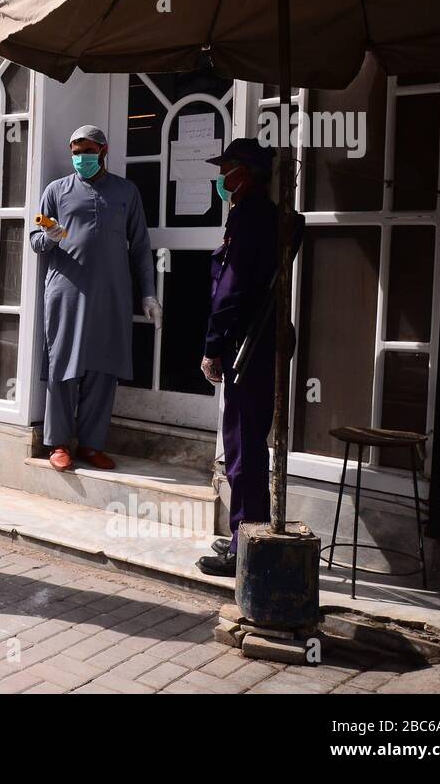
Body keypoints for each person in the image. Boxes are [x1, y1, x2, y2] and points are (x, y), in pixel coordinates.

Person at [30, 125, 161, 472]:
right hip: (66, 291)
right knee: (63, 364)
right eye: (75, 151)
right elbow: (34, 240)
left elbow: (141, 246)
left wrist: (148, 292)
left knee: (104, 367)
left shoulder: (125, 192)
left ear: (103, 150)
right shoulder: (56, 191)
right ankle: (58, 443)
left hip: (113, 294)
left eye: (86, 151)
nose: (79, 158)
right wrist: (51, 237)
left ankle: (91, 444)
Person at [196, 138, 284, 577]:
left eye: (227, 169)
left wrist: (213, 347)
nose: (221, 178)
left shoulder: (250, 218)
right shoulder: (255, 215)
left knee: (243, 446)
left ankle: (245, 546)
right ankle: (245, 535)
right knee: (245, 443)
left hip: (247, 345)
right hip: (257, 341)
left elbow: (230, 292)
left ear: (245, 173)